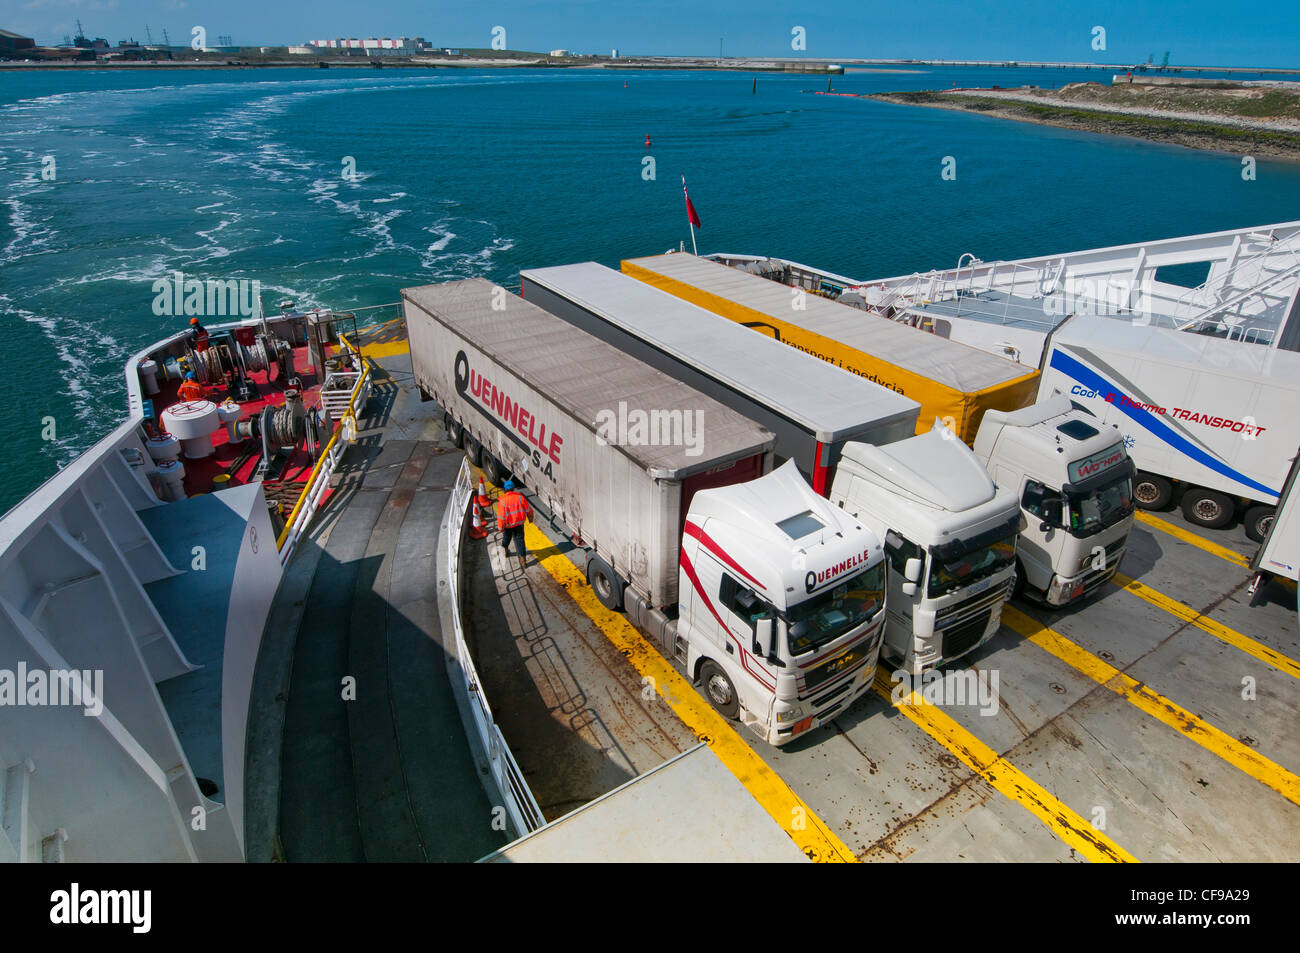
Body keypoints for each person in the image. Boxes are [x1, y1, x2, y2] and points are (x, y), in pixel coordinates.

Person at [495, 479, 533, 574]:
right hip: (519, 525)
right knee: (520, 541)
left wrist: (500, 528)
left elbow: (500, 517)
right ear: (513, 489)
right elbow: (528, 510)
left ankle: (504, 552)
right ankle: (523, 561)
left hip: (508, 526)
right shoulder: (520, 498)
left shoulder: (502, 501)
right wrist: (530, 518)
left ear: (505, 490)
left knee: (506, 539)